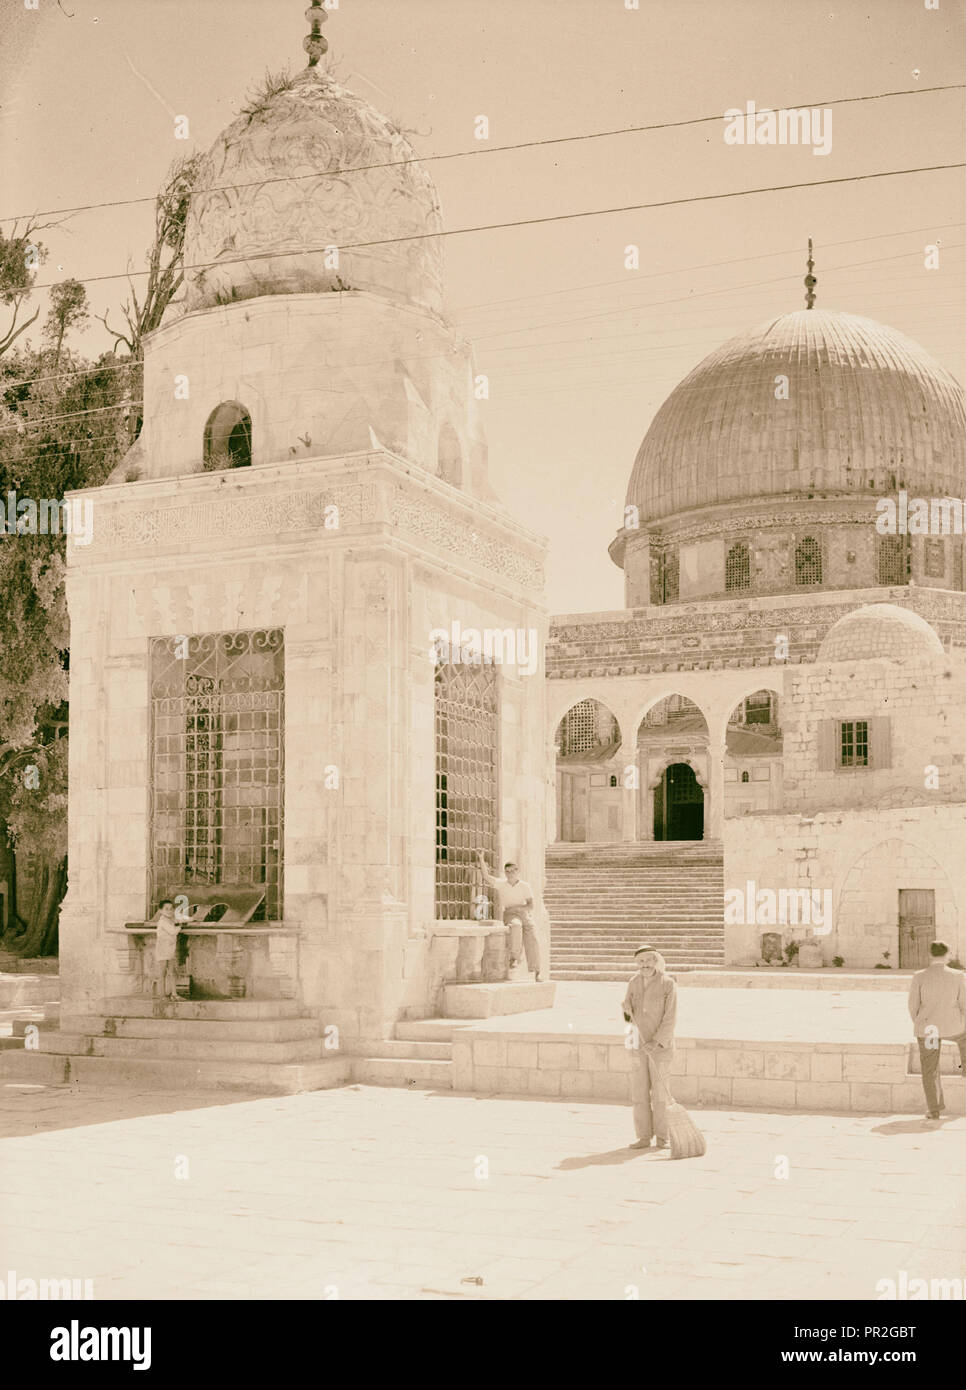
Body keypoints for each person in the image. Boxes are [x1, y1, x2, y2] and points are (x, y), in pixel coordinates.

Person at [622, 945, 677, 1150]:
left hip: (660, 1047)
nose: (644, 965)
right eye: (640, 962)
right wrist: (626, 1010)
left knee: (661, 1094)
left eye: (647, 960)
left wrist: (657, 1041)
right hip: (638, 1046)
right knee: (639, 1091)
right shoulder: (633, 982)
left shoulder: (668, 983)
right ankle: (644, 1136)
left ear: (655, 961)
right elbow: (628, 1016)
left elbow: (671, 1017)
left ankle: (663, 1137)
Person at [908, 940, 966, 1121]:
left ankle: (934, 1110)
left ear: (930, 955)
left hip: (930, 1030)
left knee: (930, 1069)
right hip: (953, 1028)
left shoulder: (919, 976)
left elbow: (913, 1006)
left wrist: (921, 1023)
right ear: (947, 954)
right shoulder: (958, 976)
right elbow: (964, 1004)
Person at [475, 849, 543, 981]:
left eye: (513, 871)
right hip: (511, 914)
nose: (510, 874)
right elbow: (486, 877)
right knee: (516, 926)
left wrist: (520, 908)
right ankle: (514, 958)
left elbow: (531, 906)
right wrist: (481, 859)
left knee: (532, 938)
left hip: (524, 913)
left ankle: (537, 971)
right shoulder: (501, 884)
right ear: (505, 873)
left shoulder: (525, 886)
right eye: (508, 871)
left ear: (518, 872)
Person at [154, 898, 180, 1000]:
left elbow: (177, 921)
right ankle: (162, 995)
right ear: (160, 911)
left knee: (172, 972)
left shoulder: (170, 919)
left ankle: (174, 993)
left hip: (170, 949)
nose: (169, 911)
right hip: (162, 950)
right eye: (166, 909)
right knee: (162, 973)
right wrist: (179, 927)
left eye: (171, 909)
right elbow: (173, 931)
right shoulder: (162, 921)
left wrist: (190, 919)